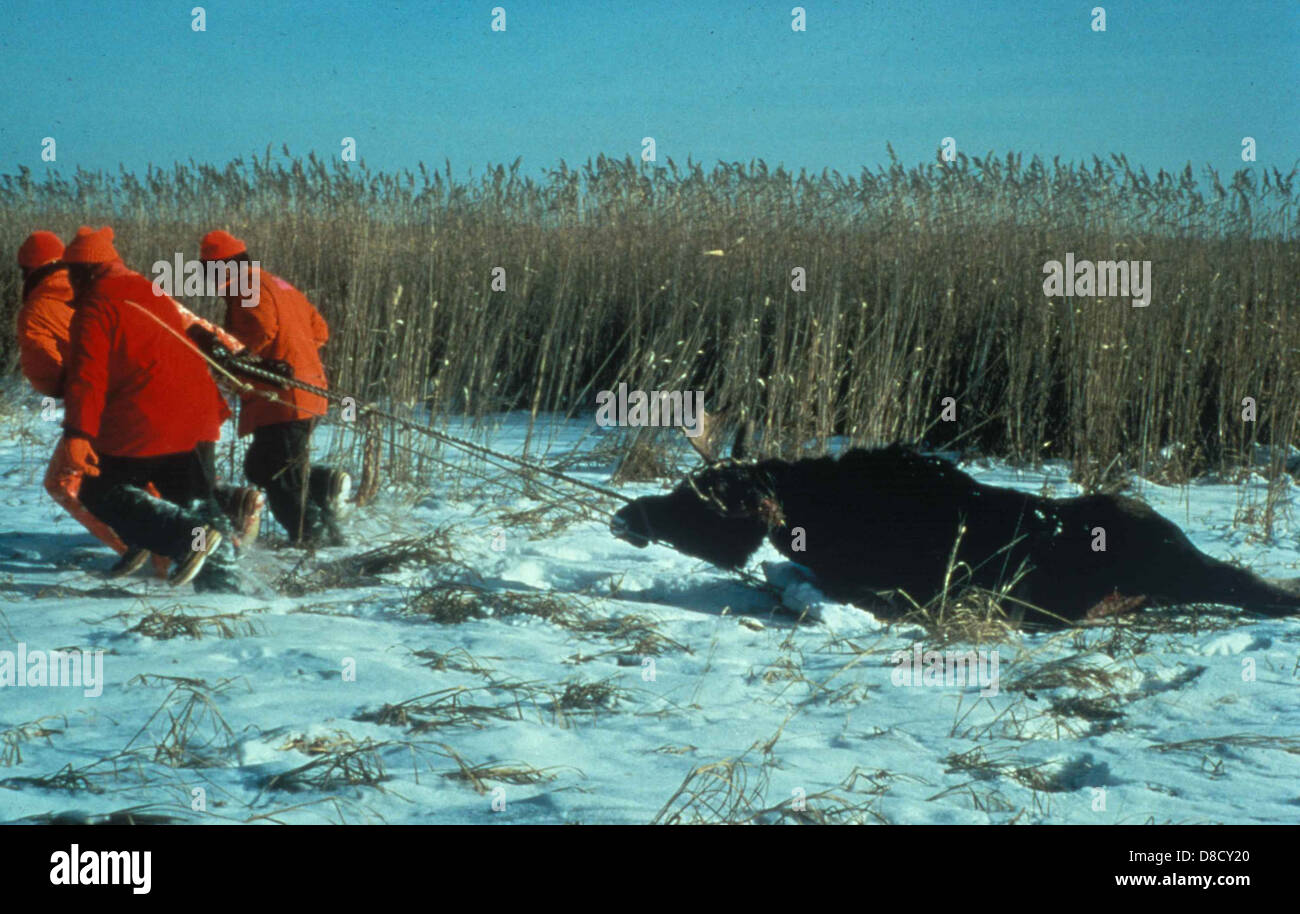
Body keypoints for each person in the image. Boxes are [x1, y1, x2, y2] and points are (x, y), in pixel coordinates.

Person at [55, 226, 242, 590]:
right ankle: (226, 588)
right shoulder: (151, 291)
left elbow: (87, 379)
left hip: (151, 418)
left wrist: (78, 434)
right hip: (198, 413)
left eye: (71, 273)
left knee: (100, 491)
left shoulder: (96, 306)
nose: (70, 282)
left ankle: (185, 539)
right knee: (194, 499)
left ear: (85, 270)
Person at [198, 229, 349, 546]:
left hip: (282, 396)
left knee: (276, 471)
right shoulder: (277, 283)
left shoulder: (245, 285)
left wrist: (228, 354)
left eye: (208, 271)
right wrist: (295, 354)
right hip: (308, 389)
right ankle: (324, 488)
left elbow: (261, 331)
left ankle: (311, 536)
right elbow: (320, 331)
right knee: (267, 466)